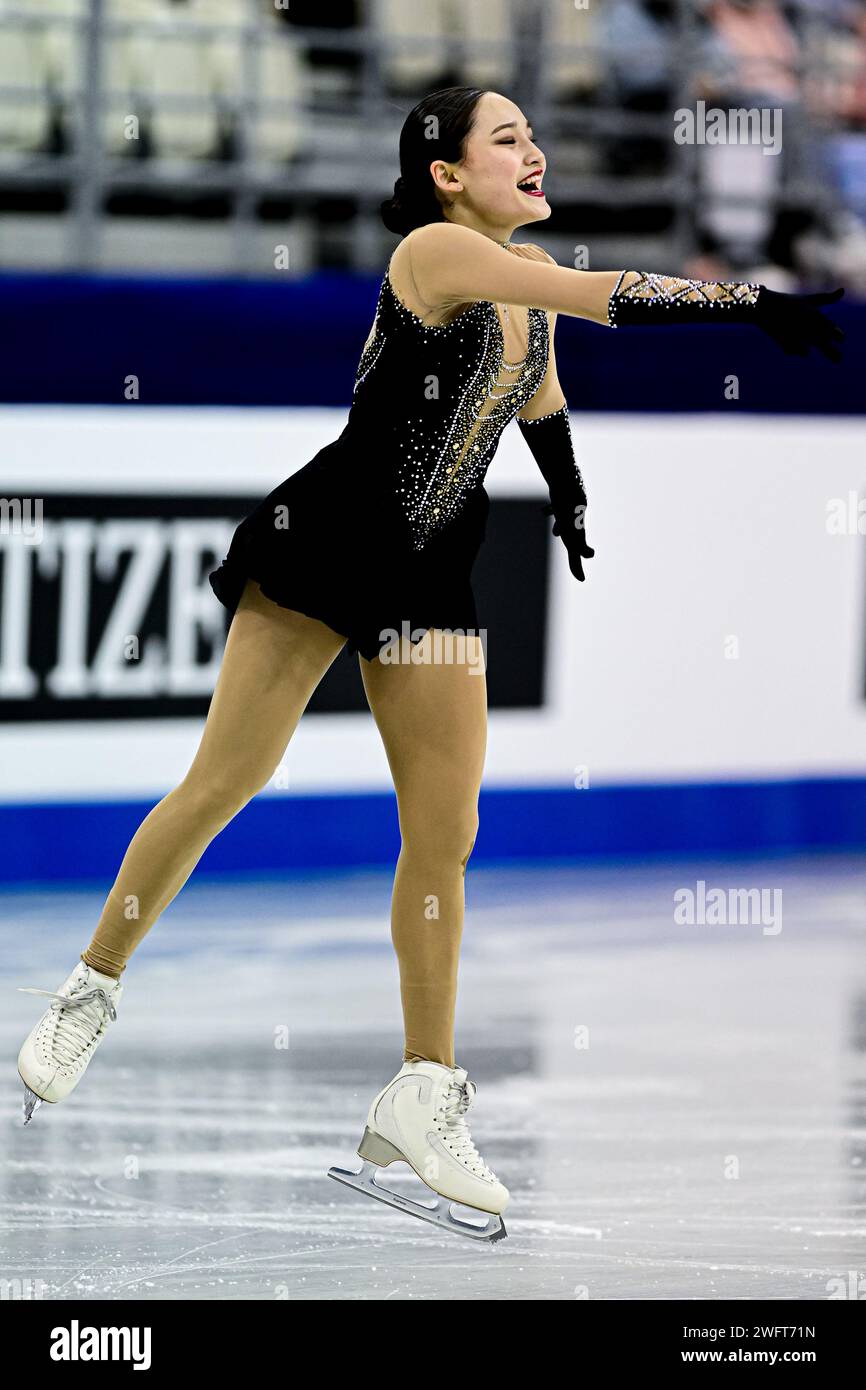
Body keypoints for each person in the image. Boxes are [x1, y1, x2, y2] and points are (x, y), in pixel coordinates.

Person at [16, 87, 842, 1243]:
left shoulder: (513, 280)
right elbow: (592, 300)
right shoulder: (438, 251)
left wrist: (566, 494)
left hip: (432, 575)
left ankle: (420, 1086)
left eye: (531, 134)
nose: (534, 149)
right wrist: (746, 300)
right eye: (505, 138)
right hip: (332, 538)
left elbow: (539, 390)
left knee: (442, 833)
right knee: (225, 782)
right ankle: (88, 989)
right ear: (447, 171)